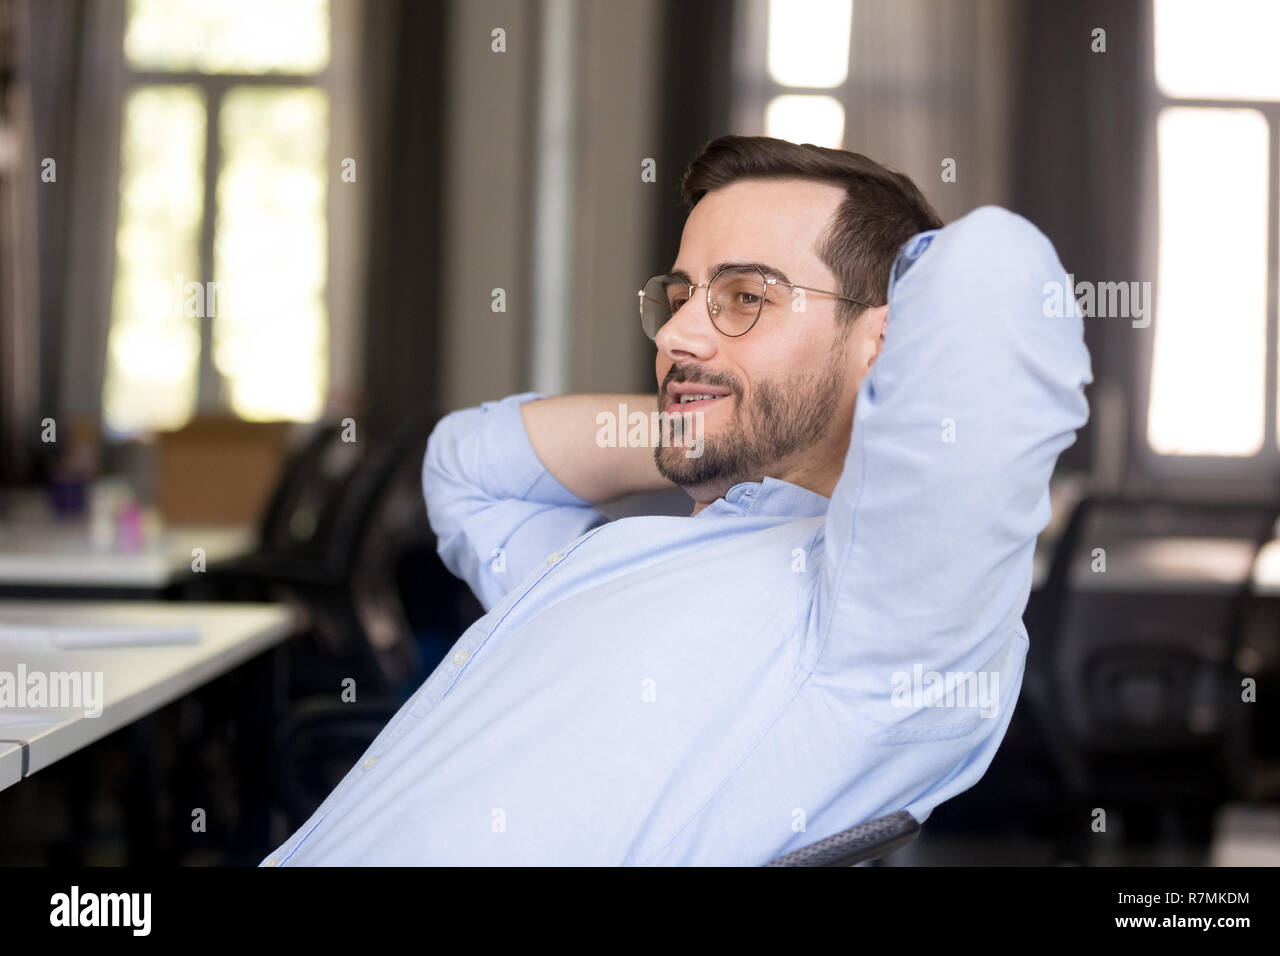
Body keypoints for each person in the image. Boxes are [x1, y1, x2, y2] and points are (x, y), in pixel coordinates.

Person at [262, 135, 1091, 866]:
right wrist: (711, 431)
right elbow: (464, 468)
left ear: (884, 338)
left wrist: (776, 407)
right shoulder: (633, 559)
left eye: (744, 297)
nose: (673, 337)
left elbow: (997, 271)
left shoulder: (881, 619)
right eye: (683, 296)